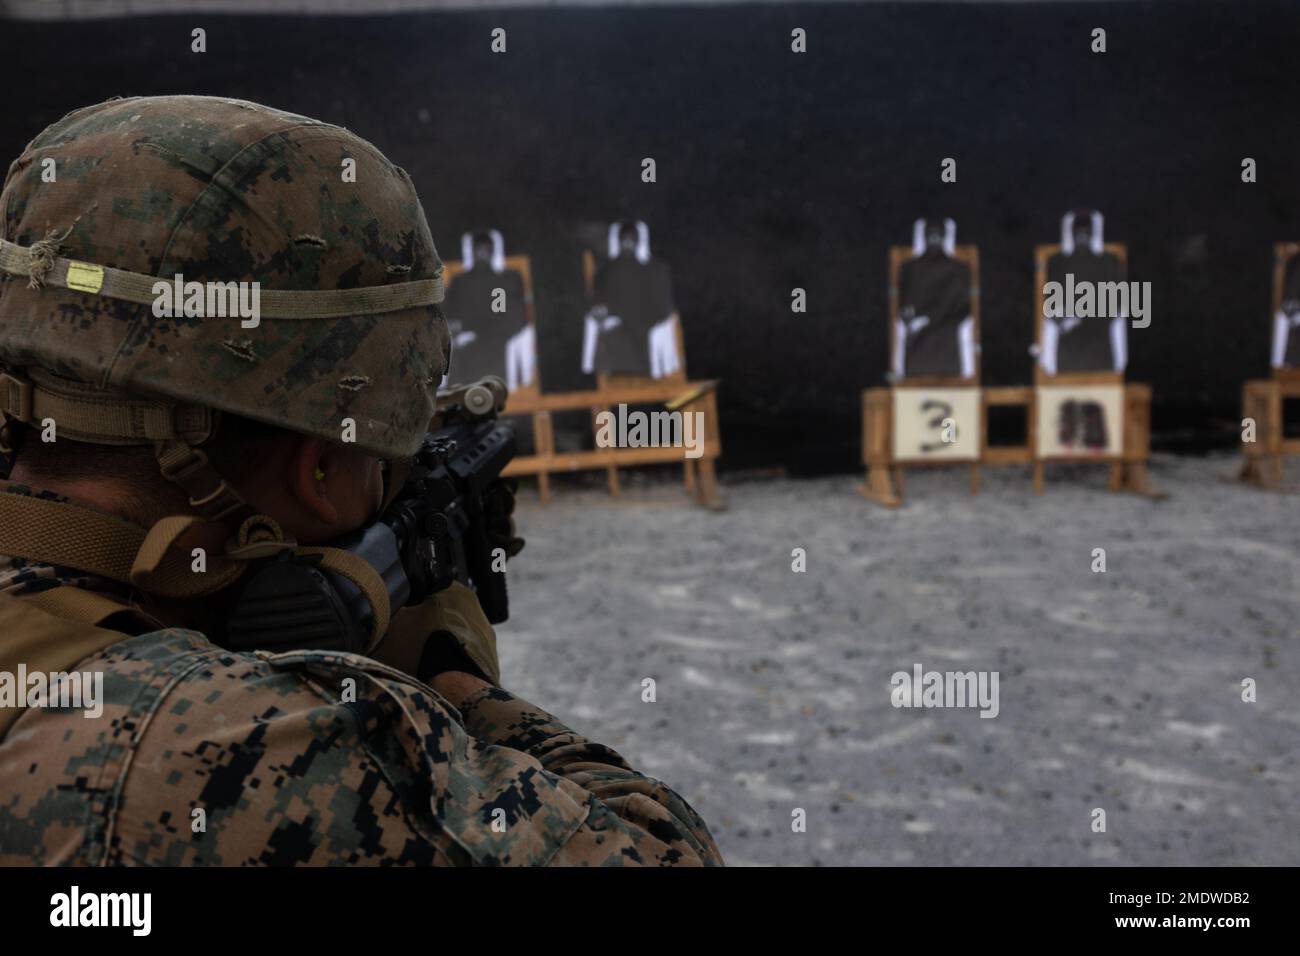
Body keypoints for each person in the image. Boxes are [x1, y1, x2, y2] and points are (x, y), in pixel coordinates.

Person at [0, 95, 721, 867]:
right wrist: (441, 667)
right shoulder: (211, 743)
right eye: (385, 459)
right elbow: (660, 850)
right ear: (319, 468)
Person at [582, 220, 679, 378]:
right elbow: (598, 299)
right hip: (617, 331)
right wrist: (601, 311)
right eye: (624, 239)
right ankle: (622, 397)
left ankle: (636, 393)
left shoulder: (655, 269)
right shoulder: (606, 271)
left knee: (634, 363)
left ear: (638, 241)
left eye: (631, 239)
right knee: (622, 391)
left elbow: (662, 306)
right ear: (618, 241)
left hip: (645, 325)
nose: (627, 244)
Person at [442, 230, 535, 390]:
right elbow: (451, 313)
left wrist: (480, 334)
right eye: (478, 249)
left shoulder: (504, 280)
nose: (482, 254)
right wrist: (458, 333)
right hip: (466, 343)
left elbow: (504, 313)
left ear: (493, 251)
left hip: (495, 343)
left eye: (486, 249)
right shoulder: (460, 282)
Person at [1041, 208, 1128, 375]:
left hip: (1098, 345)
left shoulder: (1108, 261)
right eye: (1078, 232)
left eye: (1086, 232)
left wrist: (1088, 317)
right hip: (1070, 348)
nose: (1082, 236)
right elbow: (1051, 306)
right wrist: (1066, 319)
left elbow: (1117, 304)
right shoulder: (1057, 263)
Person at [892, 217, 976, 379]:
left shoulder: (959, 269)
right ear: (924, 236)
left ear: (944, 237)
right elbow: (902, 300)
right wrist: (908, 316)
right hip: (917, 347)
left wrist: (927, 320)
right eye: (930, 234)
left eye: (938, 234)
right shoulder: (909, 268)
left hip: (945, 340)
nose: (934, 238)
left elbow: (961, 305)